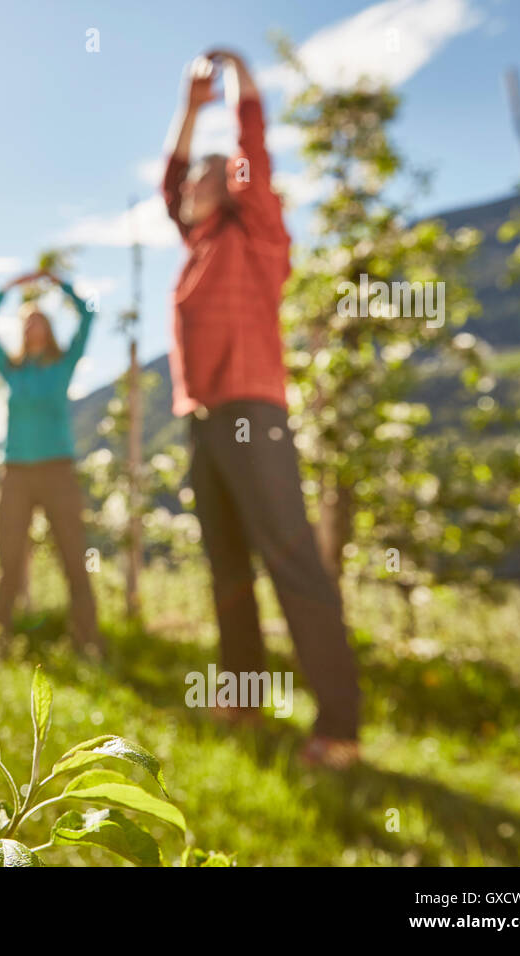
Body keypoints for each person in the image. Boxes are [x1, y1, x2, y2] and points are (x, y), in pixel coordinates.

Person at [160, 49, 361, 768]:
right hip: (205, 419)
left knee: (292, 562)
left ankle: (340, 726)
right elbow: (169, 176)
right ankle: (245, 696)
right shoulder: (197, 242)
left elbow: (254, 152)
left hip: (255, 411)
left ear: (231, 186)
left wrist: (239, 78)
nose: (185, 190)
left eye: (200, 179)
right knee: (228, 567)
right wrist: (188, 106)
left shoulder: (257, 235)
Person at [0, 269, 104, 657]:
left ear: (48, 329)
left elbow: (88, 316)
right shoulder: (13, 370)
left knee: (72, 554)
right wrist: (7, 288)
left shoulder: (61, 366)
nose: (32, 326)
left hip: (57, 471)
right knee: (9, 558)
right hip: (15, 473)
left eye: (39, 321)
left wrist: (59, 281)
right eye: (27, 321)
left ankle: (87, 642)